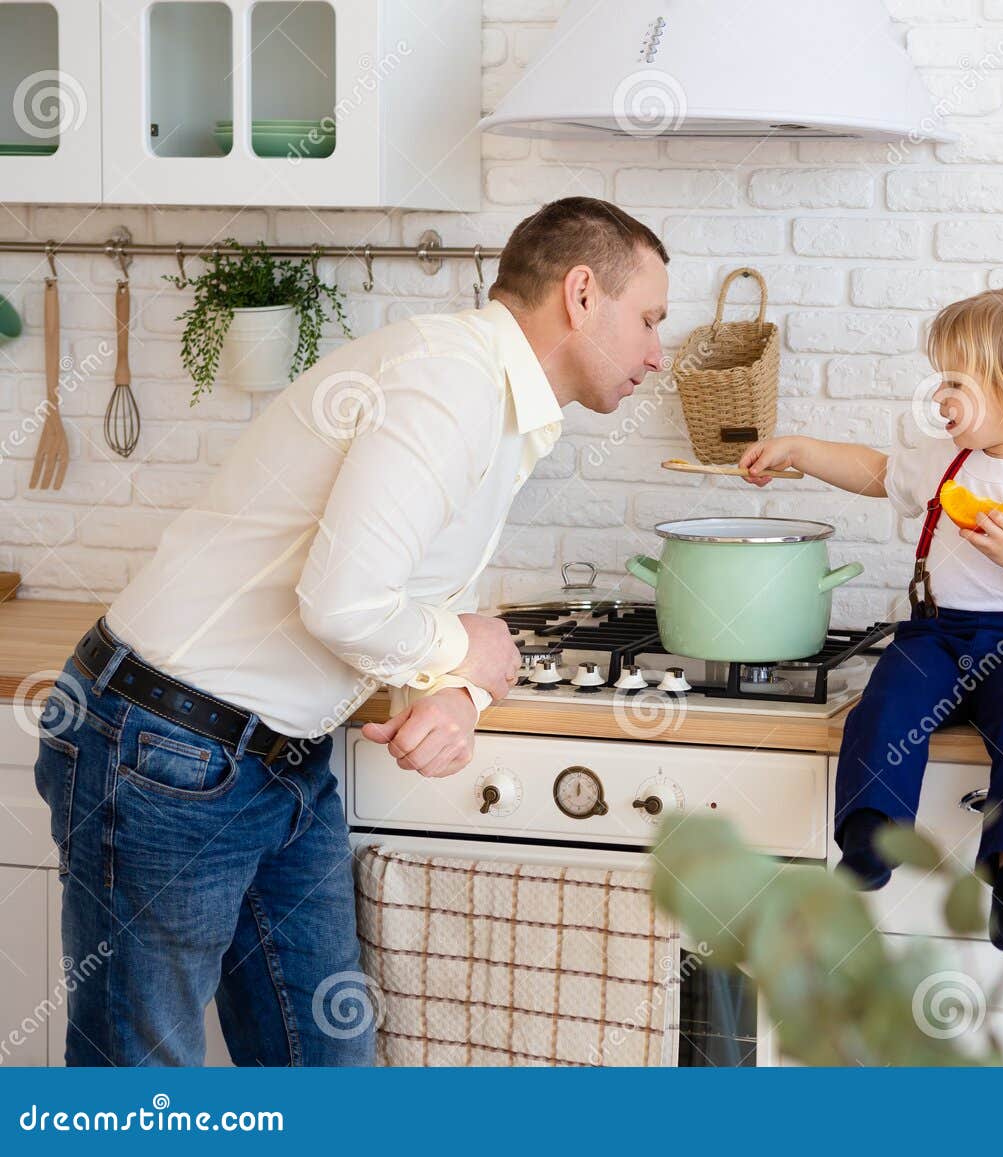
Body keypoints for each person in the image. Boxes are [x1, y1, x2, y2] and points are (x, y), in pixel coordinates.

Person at [30, 197, 668, 1064]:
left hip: (277, 759)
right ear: (583, 293)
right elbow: (348, 604)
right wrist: (463, 655)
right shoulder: (450, 382)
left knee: (325, 1067)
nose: (658, 355)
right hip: (164, 749)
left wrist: (463, 692)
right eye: (650, 320)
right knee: (140, 1088)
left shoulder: (495, 401)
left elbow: (423, 599)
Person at [739, 288, 1003, 952]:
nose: (939, 397)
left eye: (957, 382)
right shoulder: (942, 460)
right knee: (884, 703)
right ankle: (869, 840)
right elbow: (875, 471)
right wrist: (801, 449)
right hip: (937, 635)